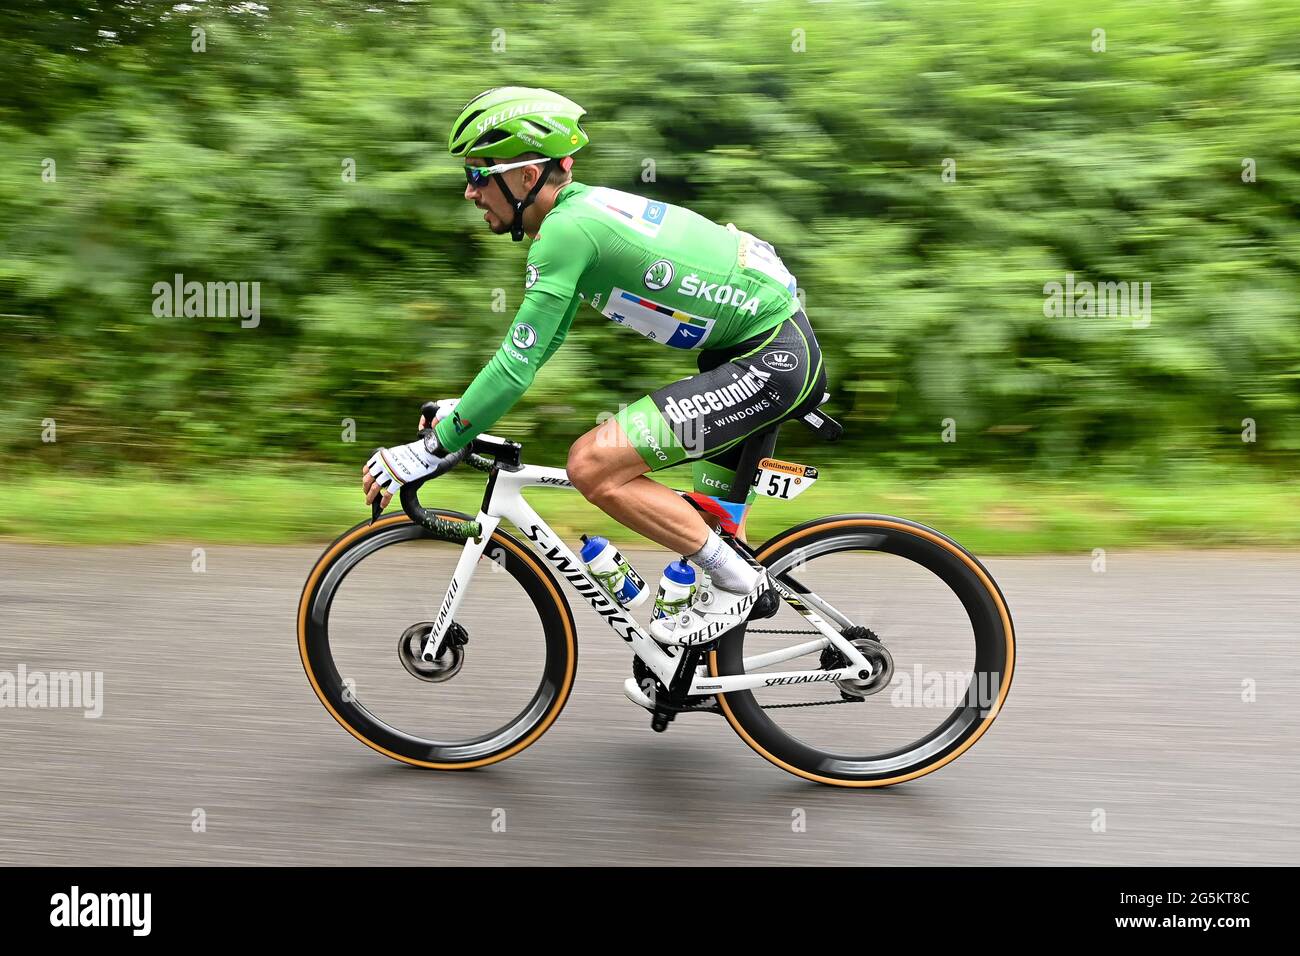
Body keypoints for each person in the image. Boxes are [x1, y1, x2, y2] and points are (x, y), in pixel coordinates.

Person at [363, 86, 827, 647]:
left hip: (769, 357)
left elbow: (516, 366)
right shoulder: (576, 220)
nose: (469, 191)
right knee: (705, 536)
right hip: (755, 350)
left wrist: (431, 448)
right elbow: (536, 348)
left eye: (480, 174)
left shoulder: (567, 232)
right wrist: (463, 417)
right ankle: (706, 673)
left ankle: (741, 585)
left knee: (591, 465)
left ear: (526, 176)